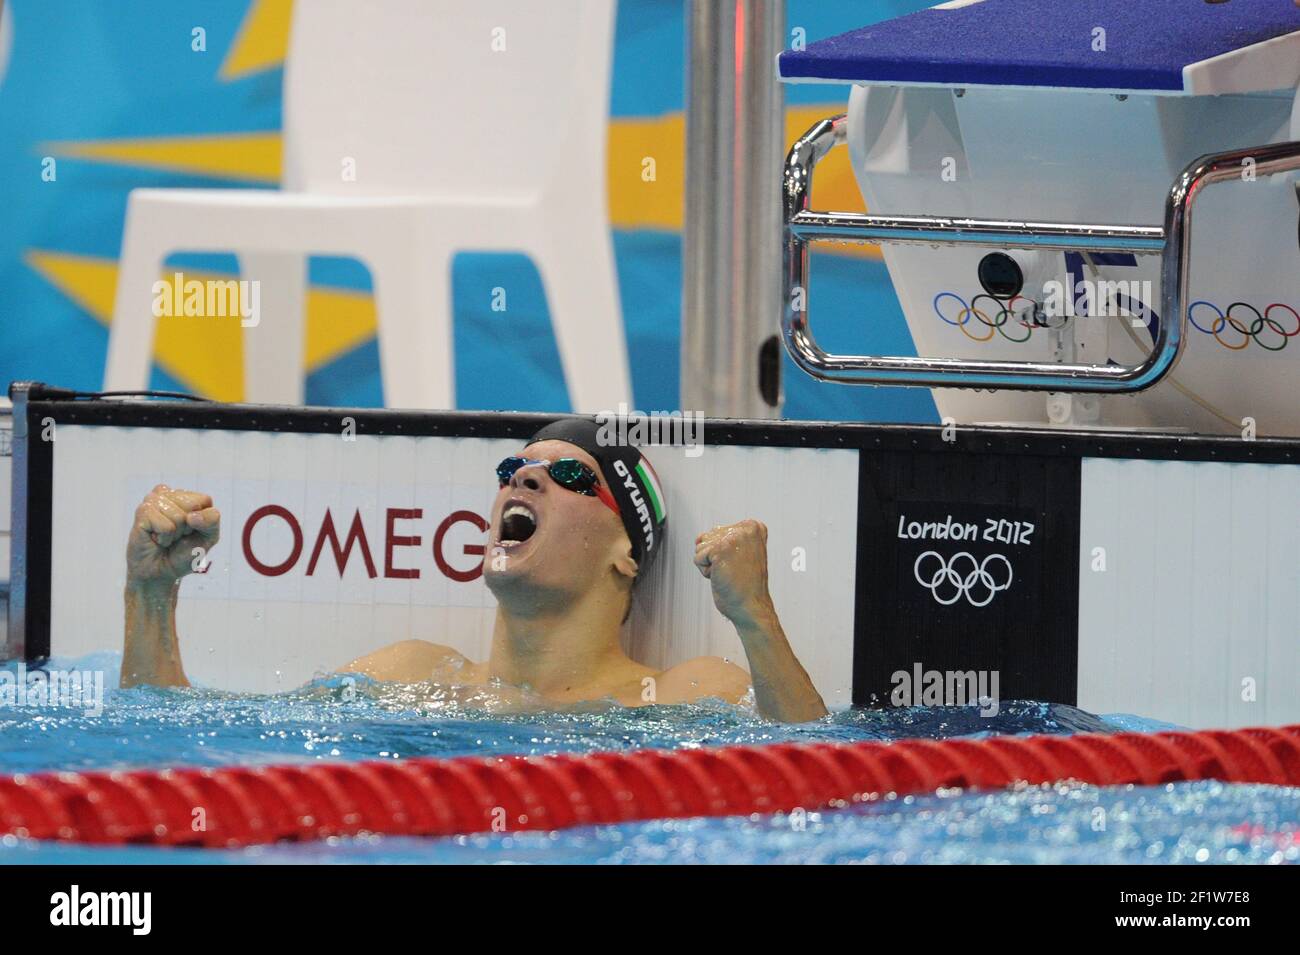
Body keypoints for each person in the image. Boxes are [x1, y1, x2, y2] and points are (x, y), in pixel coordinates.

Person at [121, 418, 828, 722]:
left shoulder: (679, 691)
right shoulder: (408, 675)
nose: (523, 481)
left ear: (627, 553)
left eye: (568, 477)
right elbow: (181, 738)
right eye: (511, 470)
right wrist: (150, 594)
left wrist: (754, 617)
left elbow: (815, 770)